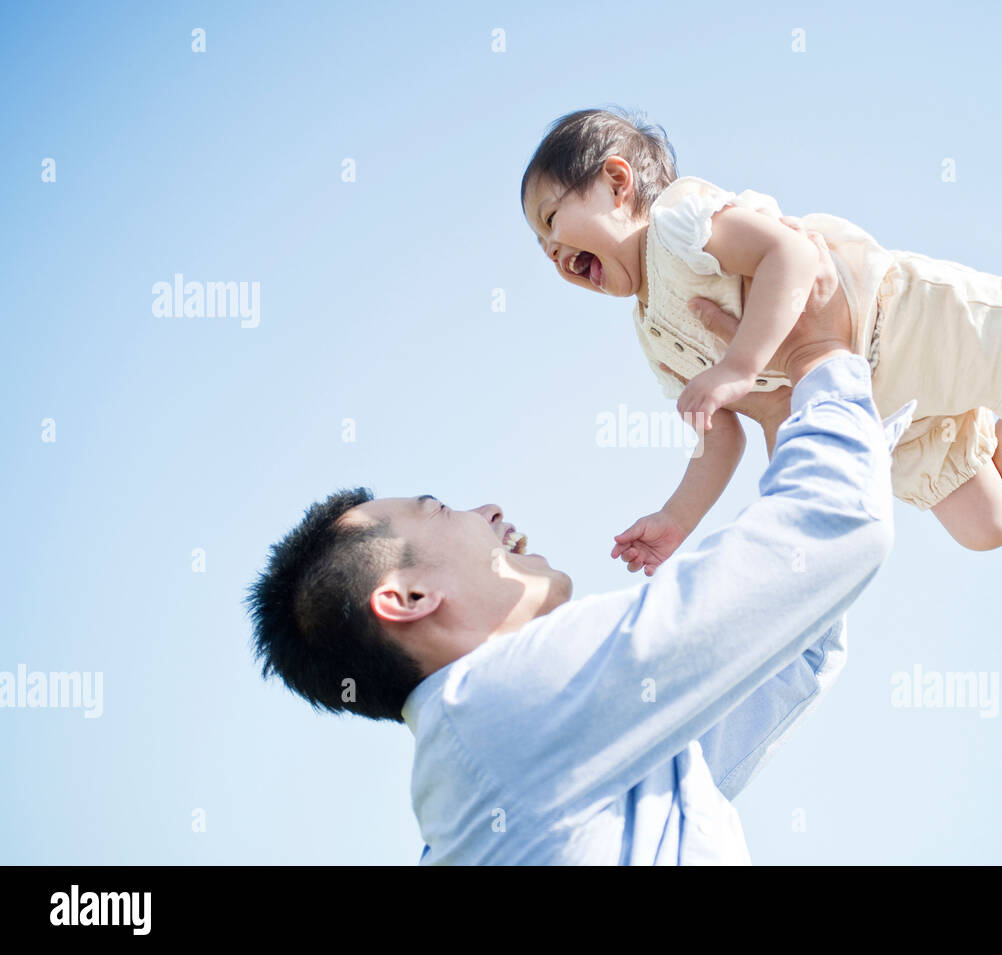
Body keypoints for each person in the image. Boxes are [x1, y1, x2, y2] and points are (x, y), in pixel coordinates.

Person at [246, 224, 917, 864]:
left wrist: (783, 415)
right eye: (439, 508)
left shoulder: (510, 751)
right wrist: (819, 357)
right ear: (409, 596)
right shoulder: (499, 709)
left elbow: (787, 644)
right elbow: (836, 528)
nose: (488, 508)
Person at [519, 109, 1002, 560]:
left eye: (553, 219)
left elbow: (793, 256)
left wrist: (740, 362)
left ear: (619, 184)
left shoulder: (680, 223)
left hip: (901, 327)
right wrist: (678, 518)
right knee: (993, 522)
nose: (553, 254)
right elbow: (722, 432)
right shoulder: (651, 330)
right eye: (541, 249)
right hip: (880, 413)